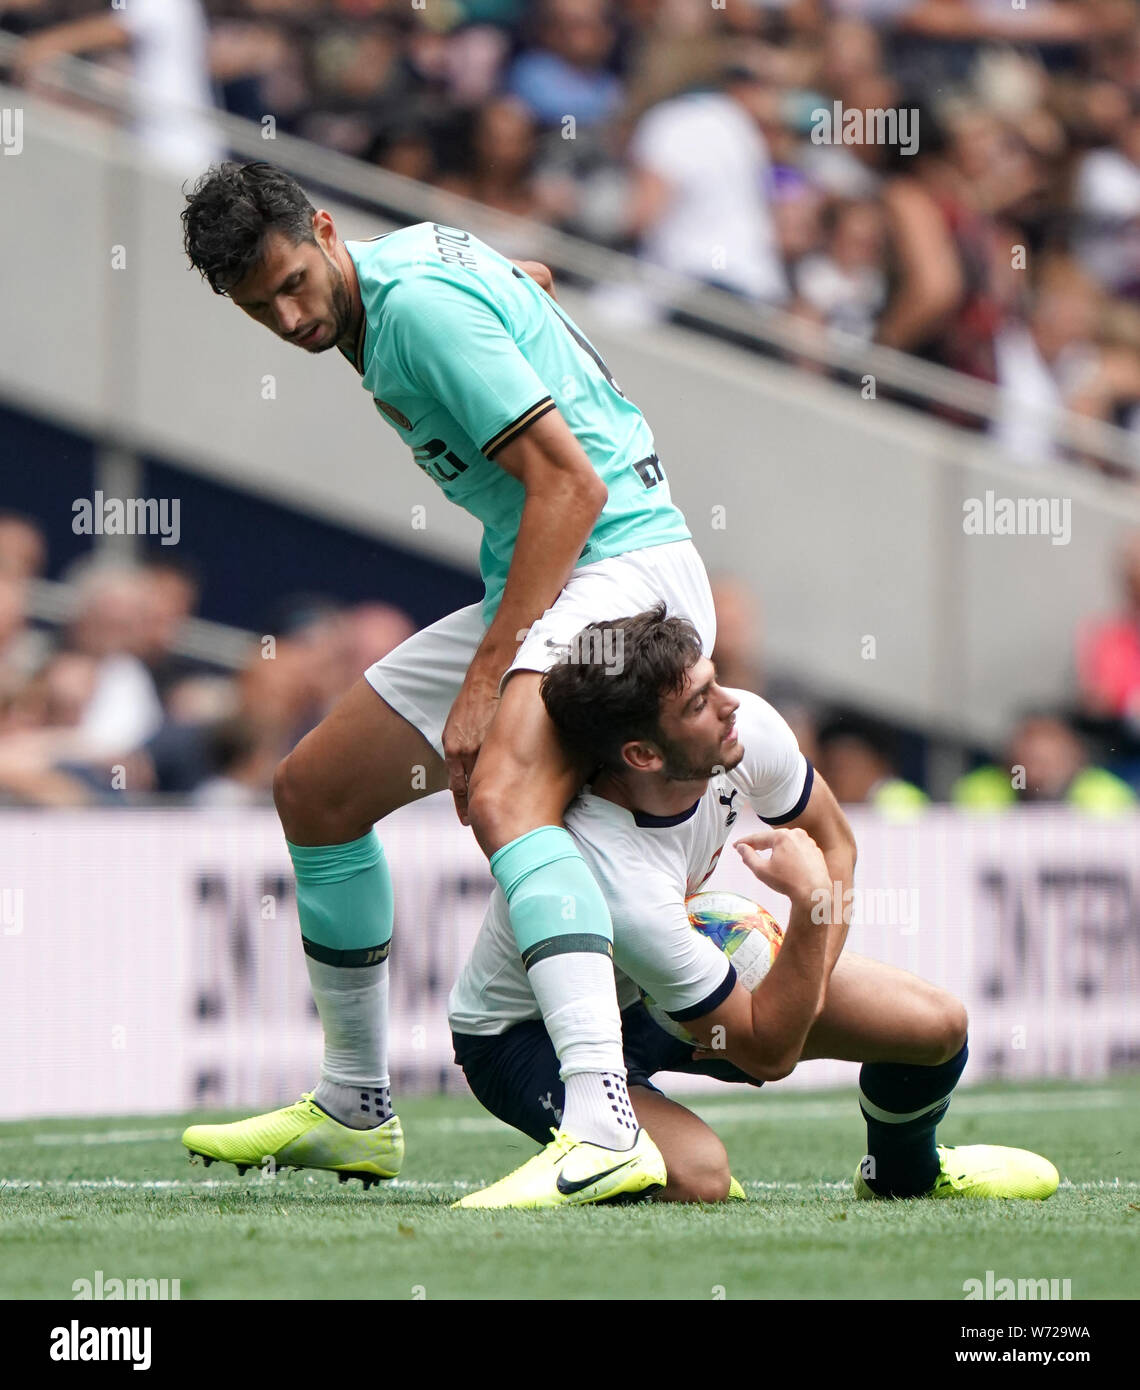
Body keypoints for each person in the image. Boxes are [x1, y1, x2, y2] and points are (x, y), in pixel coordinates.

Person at [177, 160, 732, 1207]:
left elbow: (572, 483)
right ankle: (353, 1107)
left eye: (296, 282)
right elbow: (525, 279)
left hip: (616, 573)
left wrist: (487, 680)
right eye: (261, 308)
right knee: (319, 794)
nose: (290, 317)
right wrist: (516, 306)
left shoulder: (415, 311)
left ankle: (605, 1119)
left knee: (501, 795)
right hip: (559, 572)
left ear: (326, 228)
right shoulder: (402, 273)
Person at [449, 607, 1058, 1206]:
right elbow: (769, 1053)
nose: (728, 704)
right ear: (642, 756)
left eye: (712, 681)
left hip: (652, 992)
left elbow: (835, 841)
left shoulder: (741, 727)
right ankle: (613, 1141)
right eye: (697, 703)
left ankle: (902, 1173)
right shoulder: (616, 874)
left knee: (936, 1026)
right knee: (700, 1176)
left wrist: (805, 994)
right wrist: (810, 904)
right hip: (525, 1038)